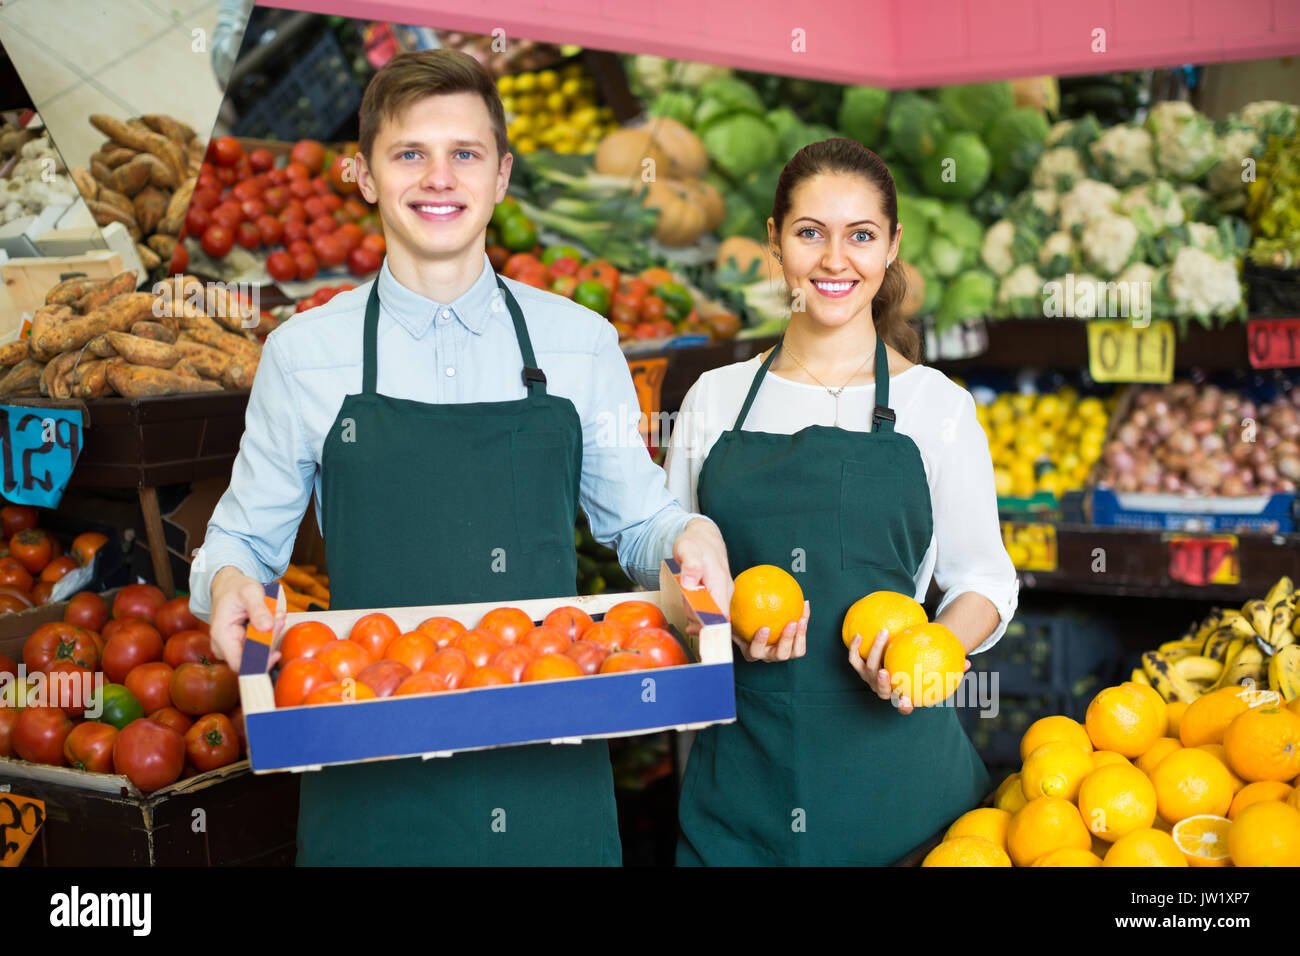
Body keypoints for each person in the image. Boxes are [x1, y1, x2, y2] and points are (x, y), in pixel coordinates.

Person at [188, 49, 731, 866]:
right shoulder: (303, 355)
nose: (438, 179)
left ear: (502, 176)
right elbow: (240, 546)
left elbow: (642, 523)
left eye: (464, 154)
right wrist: (228, 583)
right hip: (367, 763)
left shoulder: (580, 343)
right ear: (365, 175)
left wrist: (687, 538)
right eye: (409, 153)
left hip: (550, 760)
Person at [664, 138, 1019, 866]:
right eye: (808, 233)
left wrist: (937, 646)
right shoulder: (715, 399)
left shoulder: (937, 406)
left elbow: (984, 580)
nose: (835, 260)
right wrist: (715, 619)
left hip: (905, 798)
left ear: (891, 247)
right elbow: (668, 573)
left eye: (860, 235)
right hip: (741, 790)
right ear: (775, 241)